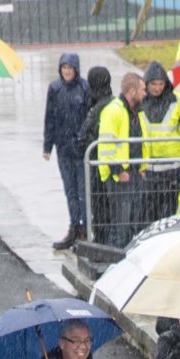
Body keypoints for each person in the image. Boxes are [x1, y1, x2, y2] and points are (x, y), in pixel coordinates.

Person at [42, 53, 91, 250]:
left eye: (70, 68)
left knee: (82, 190)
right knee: (70, 190)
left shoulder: (84, 88)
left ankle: (86, 229)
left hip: (80, 149)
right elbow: (50, 117)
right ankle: (74, 226)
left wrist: (83, 139)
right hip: (63, 148)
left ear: (76, 69)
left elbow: (89, 116)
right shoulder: (54, 89)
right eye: (64, 68)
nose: (67, 71)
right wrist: (47, 145)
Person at [92, 72, 145, 248]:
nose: (145, 94)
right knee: (120, 226)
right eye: (142, 90)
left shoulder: (136, 112)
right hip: (119, 178)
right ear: (132, 91)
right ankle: (114, 261)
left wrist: (142, 168)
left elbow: (140, 143)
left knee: (130, 225)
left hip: (134, 175)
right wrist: (118, 171)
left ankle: (122, 260)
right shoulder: (114, 111)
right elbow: (106, 147)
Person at [137, 60, 180, 225]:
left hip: (171, 170)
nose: (157, 88)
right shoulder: (141, 103)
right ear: (147, 84)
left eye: (161, 83)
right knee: (150, 217)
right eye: (154, 84)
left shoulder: (175, 102)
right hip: (148, 170)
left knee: (168, 217)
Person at [77, 66, 117, 241]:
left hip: (98, 167)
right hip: (110, 166)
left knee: (100, 210)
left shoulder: (98, 107)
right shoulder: (113, 102)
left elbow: (83, 136)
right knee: (109, 210)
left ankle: (101, 243)